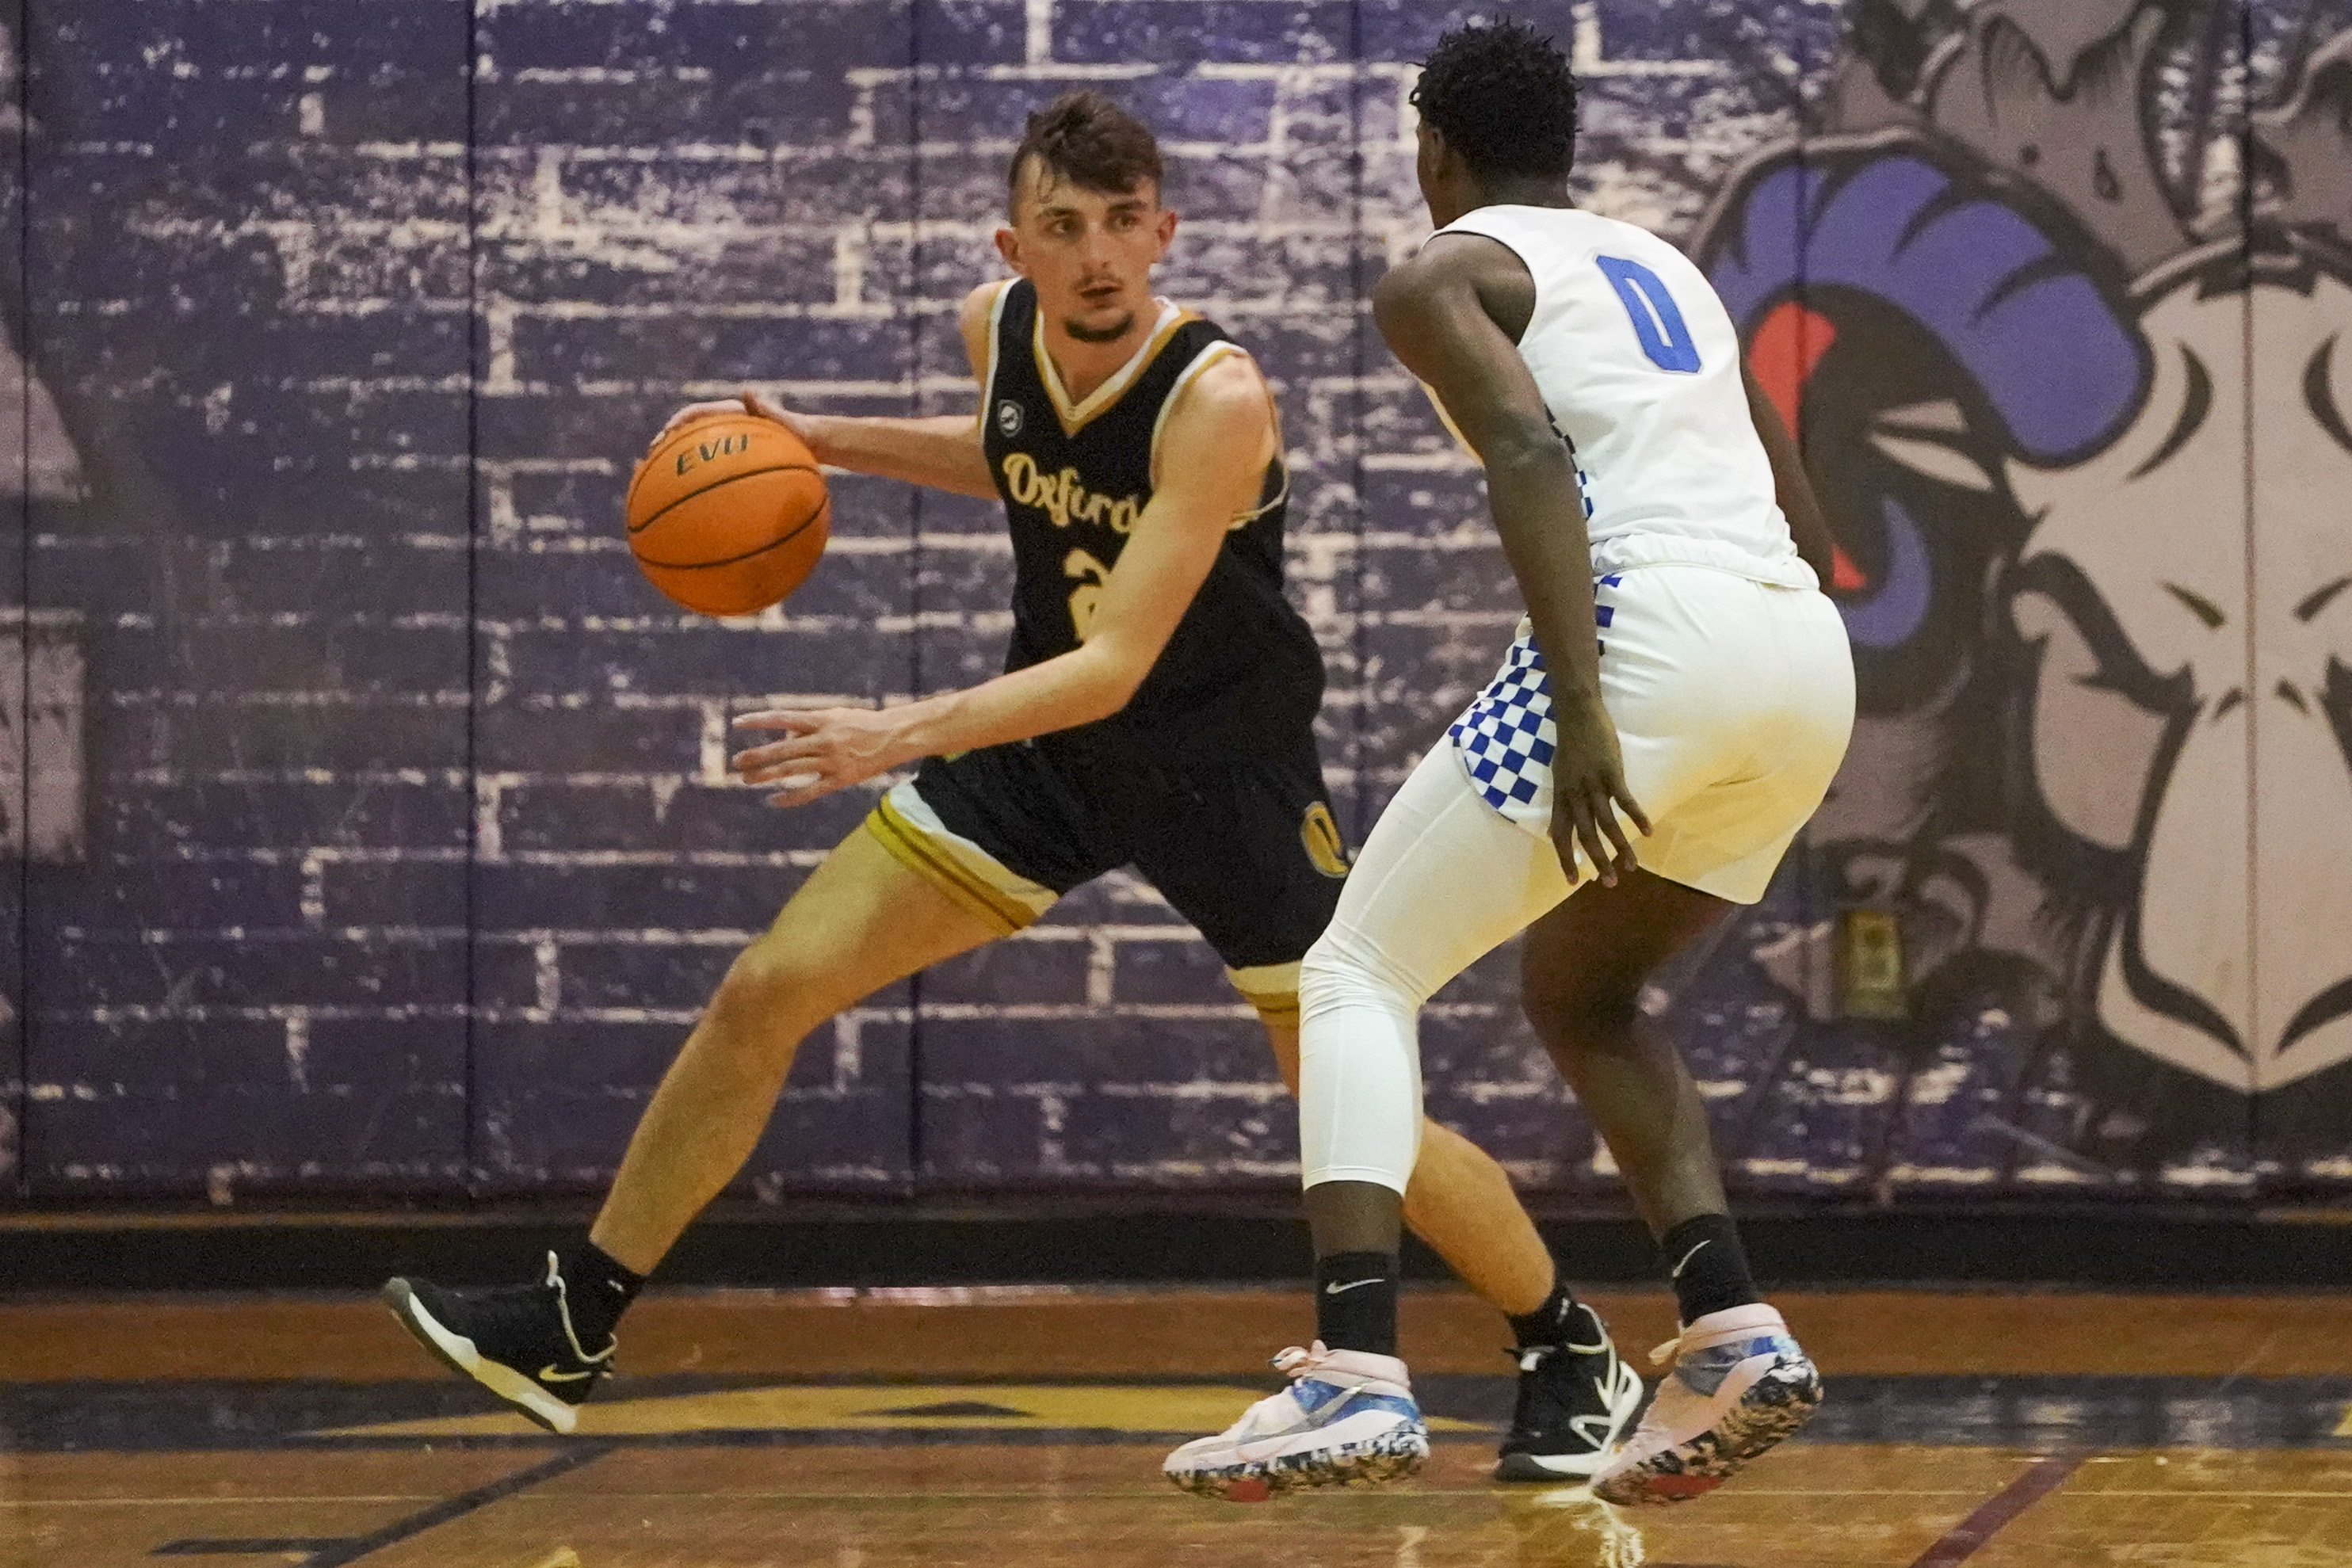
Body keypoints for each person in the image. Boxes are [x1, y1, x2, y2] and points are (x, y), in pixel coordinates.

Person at [380, 90, 1643, 1482]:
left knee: (1349, 1107)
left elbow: (1113, 664)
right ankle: (575, 1319)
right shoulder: (999, 334)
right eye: (1063, 227)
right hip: (1046, 758)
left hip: (1218, 767)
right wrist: (822, 438)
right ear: (1014, 243)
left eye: (1120, 224)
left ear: (1164, 230)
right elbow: (1021, 452)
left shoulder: (1218, 397)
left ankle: (1566, 1340)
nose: (1097, 254)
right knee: (767, 987)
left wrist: (896, 730)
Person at [1165, 21, 1855, 1504]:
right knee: (1586, 991)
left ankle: (1352, 1373)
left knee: (1356, 968)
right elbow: (1800, 504)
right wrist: (1756, 685)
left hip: (1647, 628)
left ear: (1434, 147)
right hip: (1800, 652)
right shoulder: (1666, 269)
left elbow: (1532, 459)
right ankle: (1731, 1330)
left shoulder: (1437, 272)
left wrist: (1591, 705)